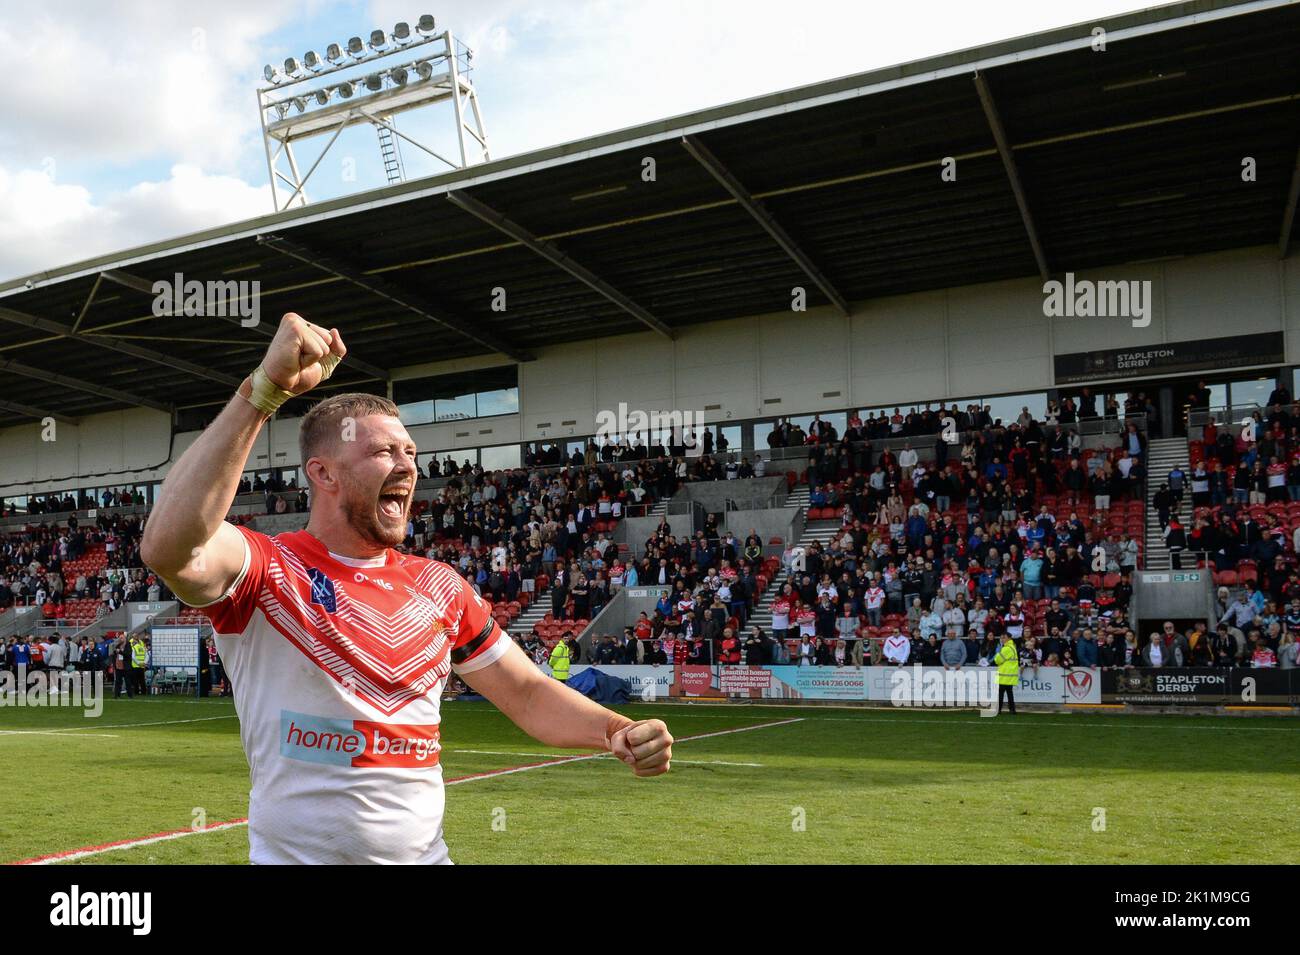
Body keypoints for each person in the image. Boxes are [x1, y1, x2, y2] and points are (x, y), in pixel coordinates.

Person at [139, 313, 672, 865]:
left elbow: (530, 695)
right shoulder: (267, 565)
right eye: (383, 453)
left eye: (410, 453)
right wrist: (262, 393)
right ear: (323, 474)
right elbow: (168, 547)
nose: (407, 467)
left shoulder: (439, 585)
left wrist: (616, 730)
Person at [994, 632, 1018, 715]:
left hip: (1004, 675)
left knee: (1001, 693)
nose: (1002, 639)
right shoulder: (1013, 647)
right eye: (1001, 638)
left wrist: (998, 653)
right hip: (1010, 675)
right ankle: (1012, 710)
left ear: (1008, 638)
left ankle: (998, 709)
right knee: (1009, 693)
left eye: (1003, 637)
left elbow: (997, 660)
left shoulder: (1006, 648)